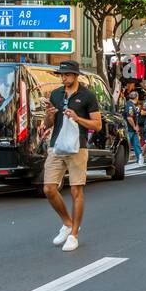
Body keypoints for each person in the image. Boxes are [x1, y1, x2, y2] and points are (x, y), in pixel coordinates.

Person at [45, 61, 101, 251]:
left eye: (67, 74)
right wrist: (50, 114)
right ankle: (67, 223)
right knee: (49, 189)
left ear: (75, 75)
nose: (63, 77)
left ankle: (74, 234)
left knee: (77, 191)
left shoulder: (87, 96)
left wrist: (78, 118)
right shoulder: (55, 94)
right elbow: (47, 124)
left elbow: (97, 125)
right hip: (56, 145)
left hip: (78, 147)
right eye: (62, 74)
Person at [123, 90, 145, 167]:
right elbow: (129, 118)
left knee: (137, 144)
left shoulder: (131, 105)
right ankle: (124, 160)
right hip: (129, 129)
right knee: (127, 145)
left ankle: (139, 158)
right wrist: (134, 126)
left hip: (132, 129)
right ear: (136, 97)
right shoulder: (130, 105)